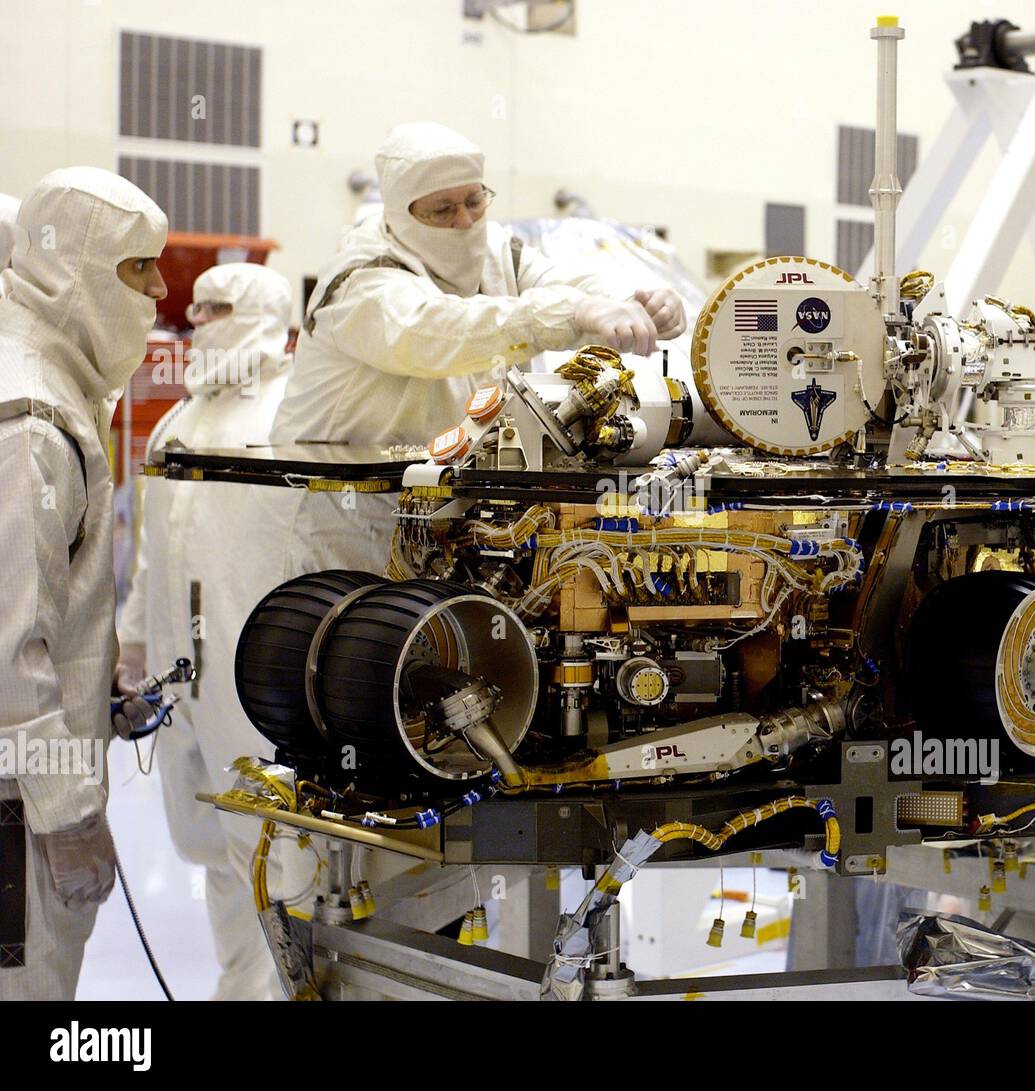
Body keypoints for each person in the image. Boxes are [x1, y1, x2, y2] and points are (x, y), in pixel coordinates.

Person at [116, 262, 310, 1001]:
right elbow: (149, 548)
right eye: (194, 309)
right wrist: (134, 643)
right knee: (209, 843)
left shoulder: (289, 415)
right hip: (178, 675)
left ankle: (283, 987)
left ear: (263, 312)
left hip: (252, 675)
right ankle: (239, 983)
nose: (198, 320)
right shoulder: (178, 419)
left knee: (271, 850)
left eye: (217, 307)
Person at [0, 167, 166, 1000]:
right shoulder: (30, 418)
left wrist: (93, 680)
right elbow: (3, 659)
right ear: (78, 267)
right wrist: (68, 814)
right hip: (17, 808)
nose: (161, 289)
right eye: (140, 267)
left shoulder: (47, 380)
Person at [272, 121, 686, 452]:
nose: (466, 222)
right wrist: (570, 313)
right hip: (341, 517)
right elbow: (435, 332)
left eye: (474, 201)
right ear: (401, 215)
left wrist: (633, 300)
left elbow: (569, 279)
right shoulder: (359, 278)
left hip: (440, 506)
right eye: (443, 209)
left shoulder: (498, 252)